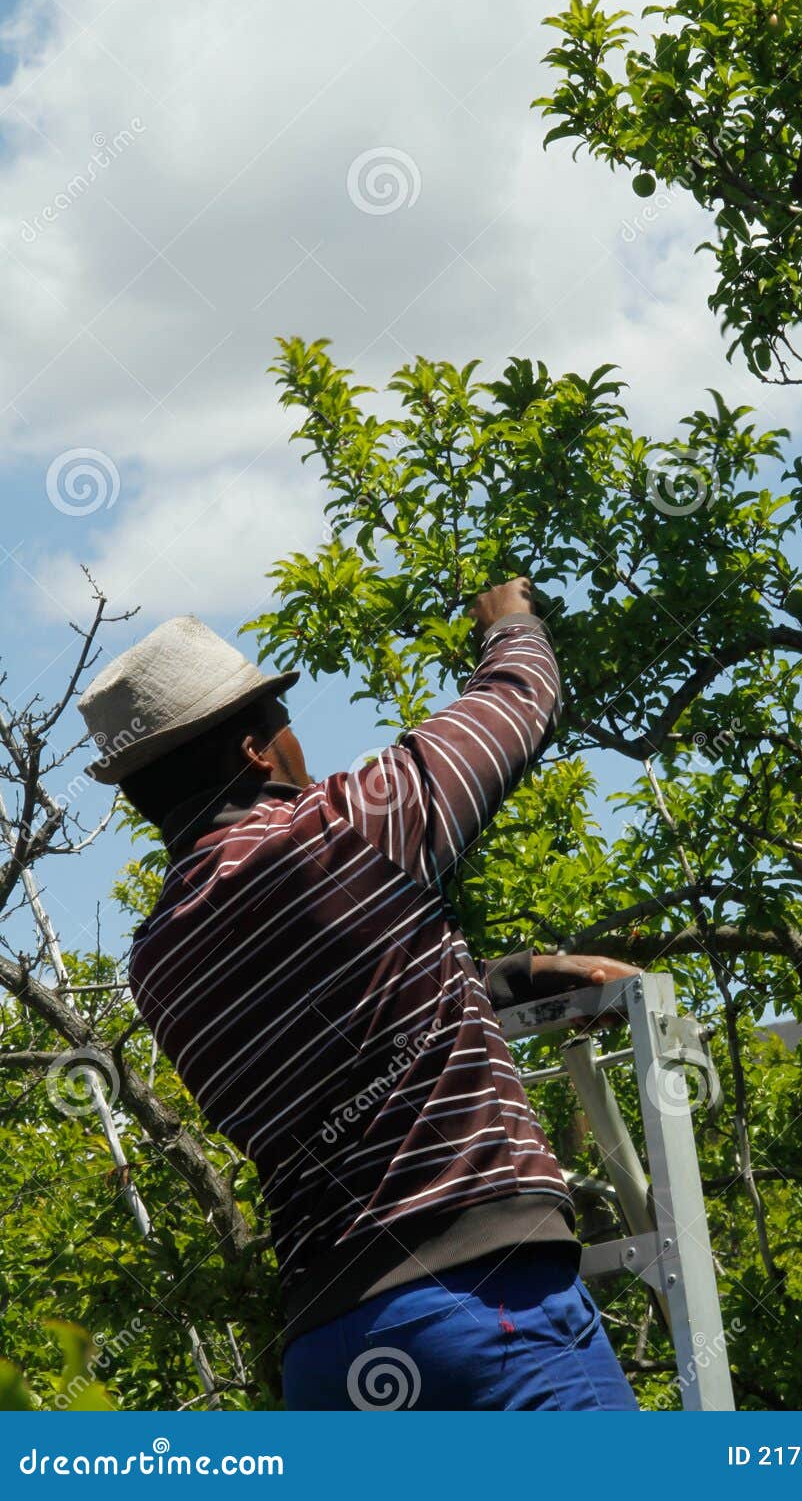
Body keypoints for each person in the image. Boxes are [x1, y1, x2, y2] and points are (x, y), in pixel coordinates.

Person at [78, 578, 640, 1411]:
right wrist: (510, 622)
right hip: (484, 1312)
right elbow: (517, 705)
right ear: (253, 750)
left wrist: (514, 979)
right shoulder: (344, 829)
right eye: (284, 724)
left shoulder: (158, 958)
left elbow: (352, 1017)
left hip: (326, 1353)